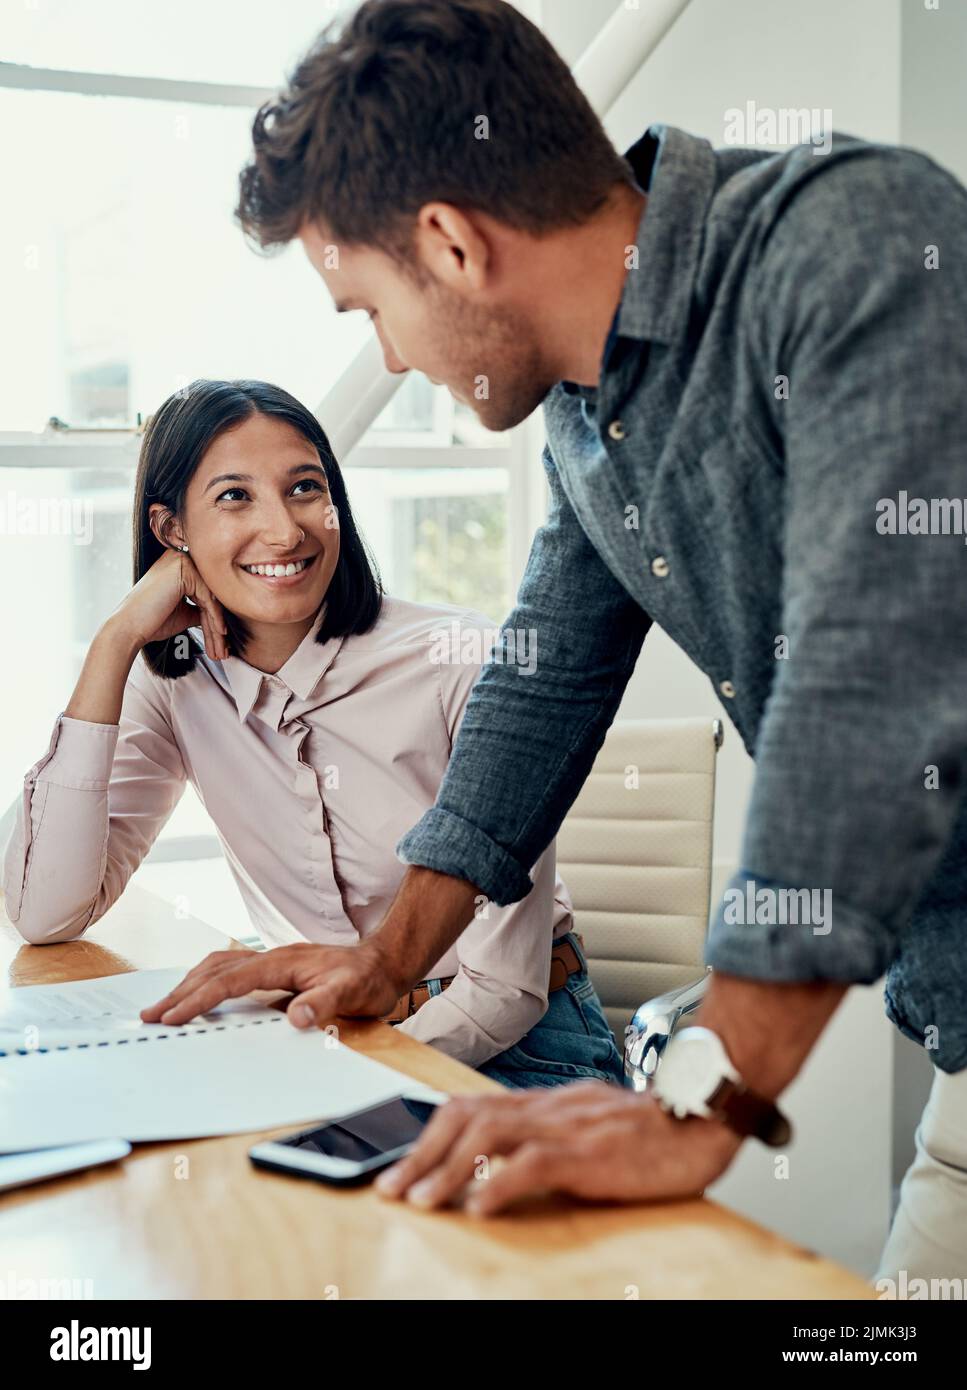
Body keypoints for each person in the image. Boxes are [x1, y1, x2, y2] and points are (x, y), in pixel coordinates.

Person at [138, 0, 967, 1277]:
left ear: (451, 244)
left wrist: (703, 1099)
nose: (394, 360)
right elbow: (541, 684)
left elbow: (872, 687)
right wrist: (389, 958)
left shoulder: (853, 242)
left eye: (367, 308)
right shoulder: (588, 418)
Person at [2, 377, 623, 1089]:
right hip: (329, 1032)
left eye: (304, 488)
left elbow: (504, 993)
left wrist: (338, 1086)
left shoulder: (459, 662)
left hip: (522, 1045)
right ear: (172, 531)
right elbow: (46, 912)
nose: (284, 531)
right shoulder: (175, 684)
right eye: (235, 497)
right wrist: (114, 643)